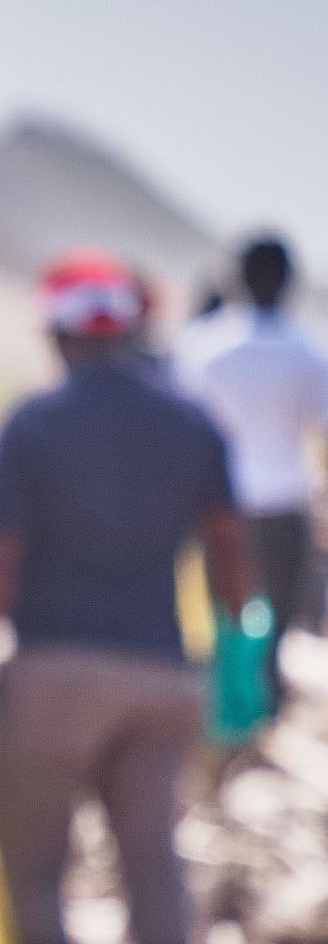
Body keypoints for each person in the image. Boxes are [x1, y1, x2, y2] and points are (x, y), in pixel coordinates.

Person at [0, 250, 255, 944]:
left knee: (36, 868)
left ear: (55, 332)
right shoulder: (191, 422)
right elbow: (231, 555)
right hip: (163, 676)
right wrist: (241, 653)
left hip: (55, 669)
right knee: (151, 860)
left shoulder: (35, 423)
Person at [176, 234, 328, 713]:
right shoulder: (306, 350)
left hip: (216, 503)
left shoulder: (201, 346)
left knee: (219, 610)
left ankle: (221, 709)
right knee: (276, 613)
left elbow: (179, 425)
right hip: (282, 500)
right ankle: (259, 709)